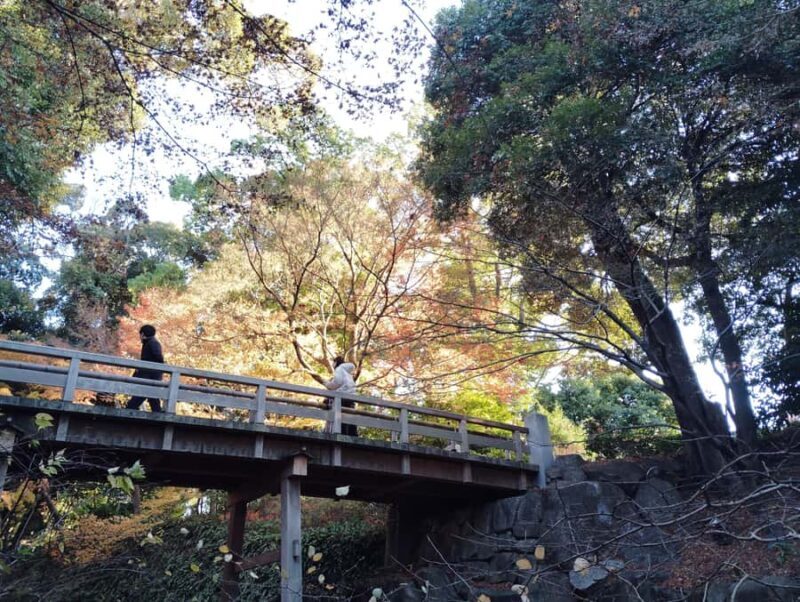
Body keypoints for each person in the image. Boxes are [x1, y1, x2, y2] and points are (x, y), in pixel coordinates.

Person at [127, 324, 165, 412]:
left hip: (149, 376)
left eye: (140, 335)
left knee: (141, 396)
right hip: (151, 376)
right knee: (152, 397)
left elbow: (158, 357)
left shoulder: (152, 343)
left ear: (143, 334)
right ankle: (157, 414)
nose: (139, 337)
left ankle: (129, 411)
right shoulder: (151, 342)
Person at [324, 356, 357, 436]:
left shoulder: (339, 369)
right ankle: (352, 434)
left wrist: (328, 384)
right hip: (351, 396)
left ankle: (340, 433)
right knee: (349, 415)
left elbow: (337, 382)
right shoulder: (347, 372)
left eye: (333, 362)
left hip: (343, 395)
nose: (332, 364)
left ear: (336, 362)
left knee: (339, 416)